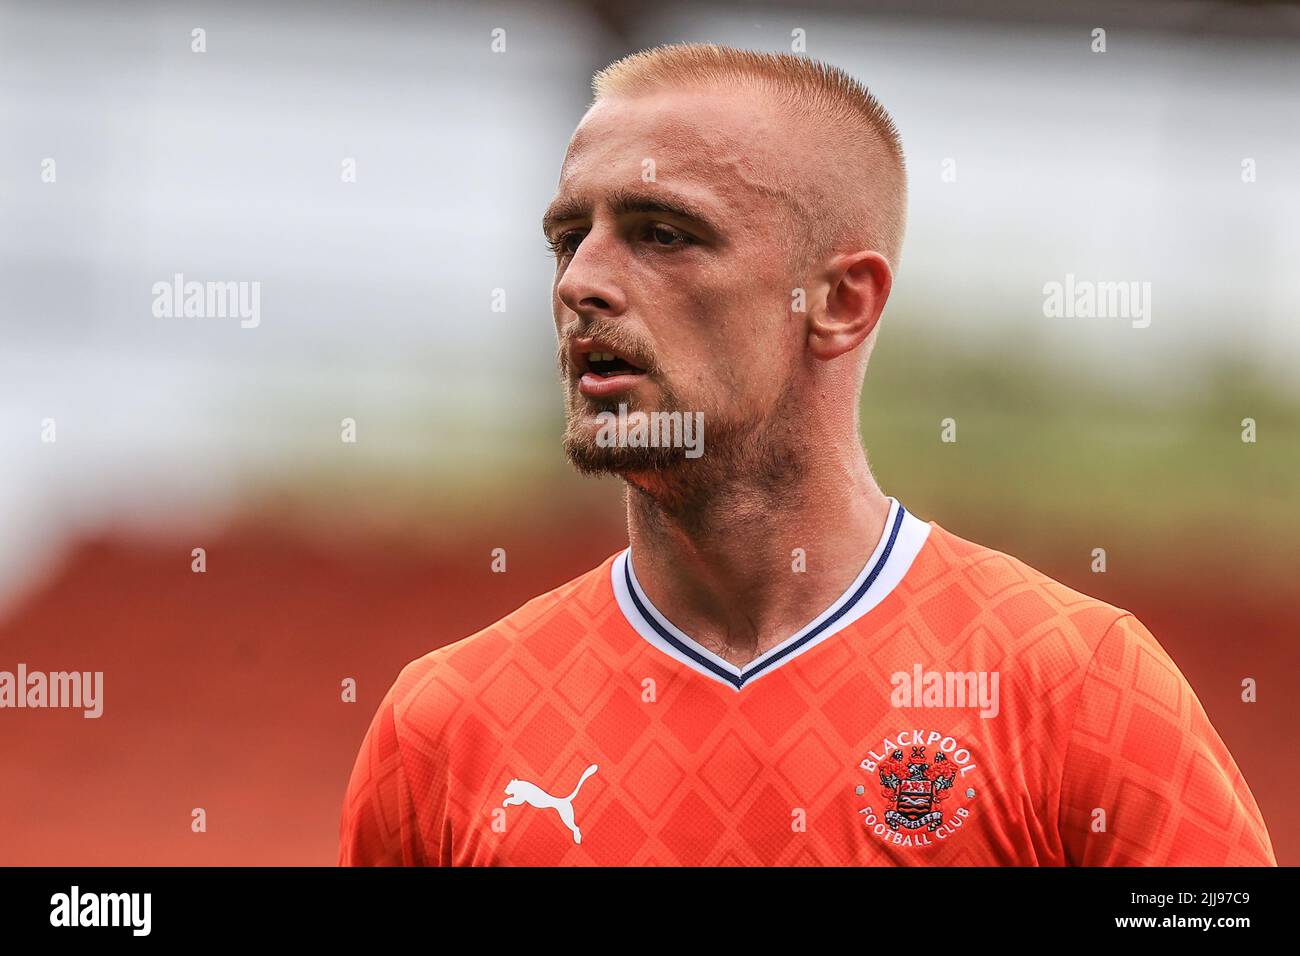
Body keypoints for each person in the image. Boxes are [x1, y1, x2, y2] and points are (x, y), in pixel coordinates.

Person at [339, 44, 1275, 866]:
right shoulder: (445, 728)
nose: (583, 281)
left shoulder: (1078, 689)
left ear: (840, 303)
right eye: (568, 238)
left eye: (663, 234)